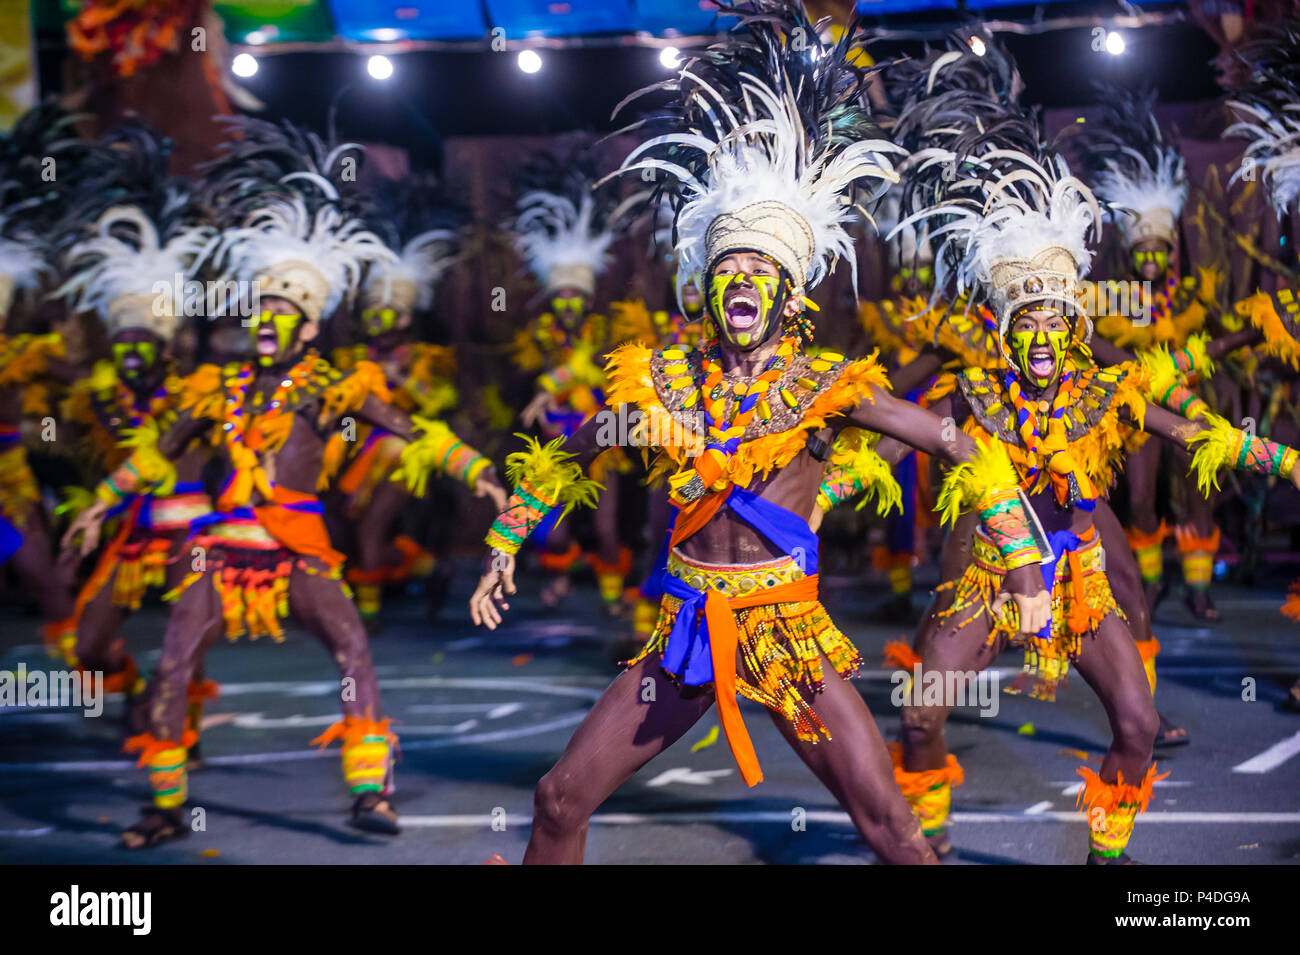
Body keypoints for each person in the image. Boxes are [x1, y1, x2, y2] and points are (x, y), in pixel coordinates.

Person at [468, 0, 1053, 865]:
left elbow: (963, 444)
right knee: (558, 797)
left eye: (760, 271)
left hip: (787, 633)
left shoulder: (827, 387)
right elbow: (566, 454)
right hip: (686, 628)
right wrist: (505, 543)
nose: (741, 278)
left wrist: (1025, 564)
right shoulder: (659, 380)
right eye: (727, 267)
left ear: (790, 294)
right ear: (705, 288)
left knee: (888, 821)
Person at [66, 181, 505, 848]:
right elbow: (159, 453)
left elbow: (409, 429)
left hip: (296, 546)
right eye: (259, 311)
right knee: (174, 662)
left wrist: (476, 472)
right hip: (220, 547)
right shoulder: (217, 386)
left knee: (353, 648)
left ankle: (371, 792)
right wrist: (102, 502)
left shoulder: (332, 389)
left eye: (279, 314)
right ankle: (165, 806)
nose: (265, 323)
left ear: (306, 326)